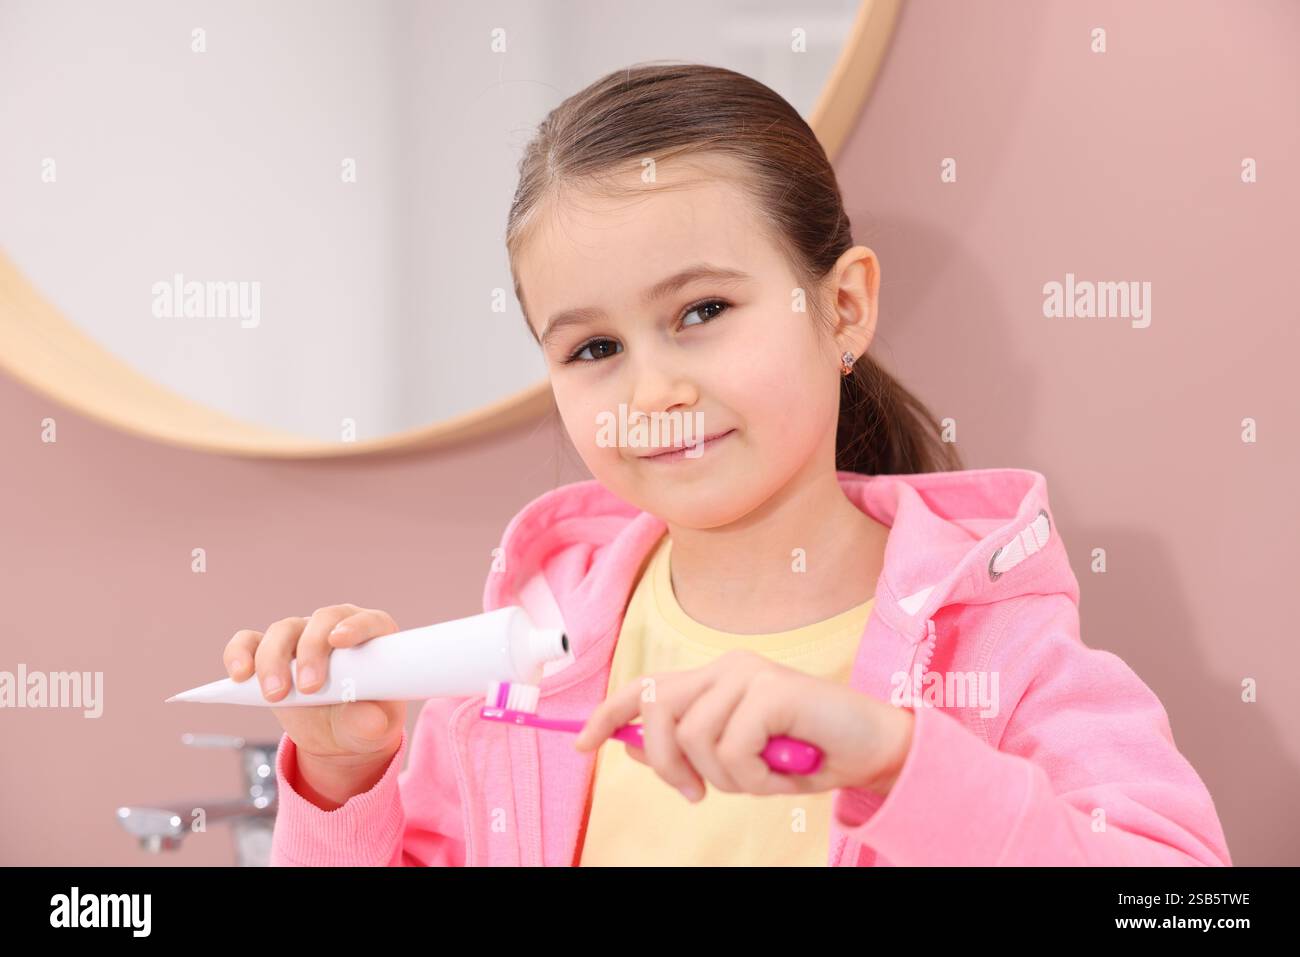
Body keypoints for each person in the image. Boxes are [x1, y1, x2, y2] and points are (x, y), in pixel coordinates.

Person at [225, 63, 1231, 866]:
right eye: (593, 349)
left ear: (840, 308)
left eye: (700, 313)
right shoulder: (523, 668)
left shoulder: (1003, 662)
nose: (651, 391)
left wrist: (893, 759)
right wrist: (343, 778)